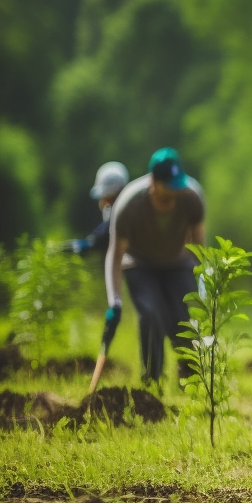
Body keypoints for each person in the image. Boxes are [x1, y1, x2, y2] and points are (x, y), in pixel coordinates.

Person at [102, 148, 205, 389]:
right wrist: (113, 300)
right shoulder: (129, 204)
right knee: (151, 314)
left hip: (178, 262)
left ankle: (190, 378)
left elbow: (200, 245)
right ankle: (152, 381)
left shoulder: (191, 197)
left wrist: (205, 285)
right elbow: (115, 255)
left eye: (177, 186)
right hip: (140, 264)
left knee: (182, 320)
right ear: (153, 182)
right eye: (168, 187)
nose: (174, 193)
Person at [61, 162, 129, 254]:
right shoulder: (127, 207)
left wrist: (78, 246)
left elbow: (98, 239)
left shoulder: (121, 215)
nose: (105, 203)